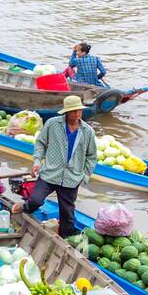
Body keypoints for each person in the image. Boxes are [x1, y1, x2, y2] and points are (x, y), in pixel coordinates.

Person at [23, 95, 98, 238]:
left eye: (78, 111)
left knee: (67, 215)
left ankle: (64, 239)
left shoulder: (88, 132)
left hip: (71, 177)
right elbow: (40, 143)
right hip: (50, 173)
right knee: (35, 200)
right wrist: (37, 162)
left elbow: (91, 156)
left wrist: (85, 175)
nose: (76, 114)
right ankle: (23, 210)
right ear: (66, 112)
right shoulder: (52, 124)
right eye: (73, 111)